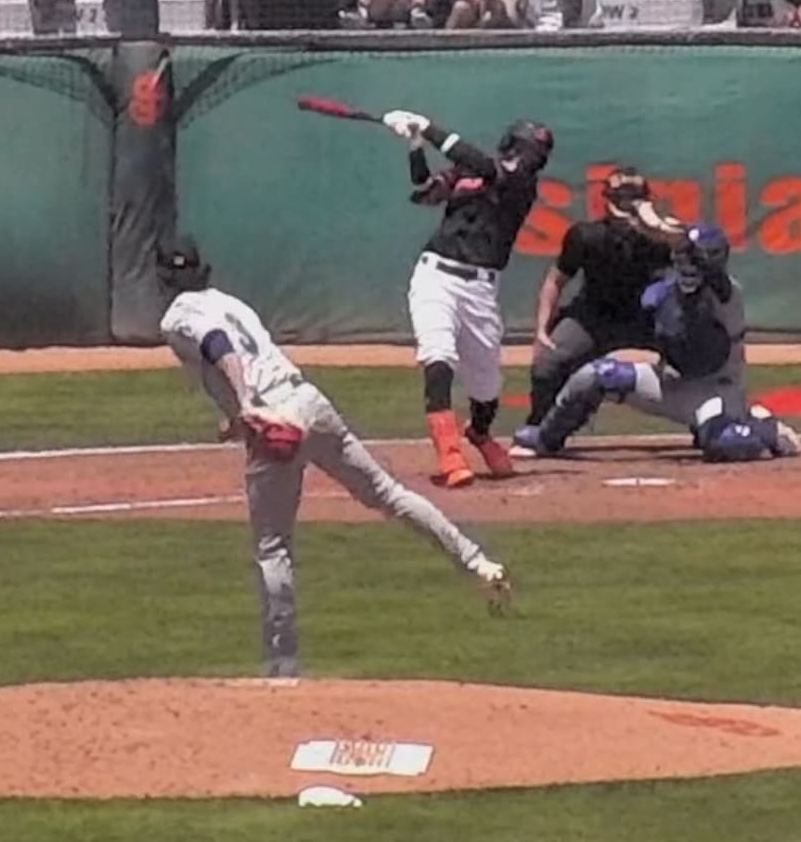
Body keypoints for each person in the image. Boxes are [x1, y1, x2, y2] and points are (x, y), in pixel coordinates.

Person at [156, 236, 513, 679]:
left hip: (272, 419)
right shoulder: (230, 301)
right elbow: (239, 349)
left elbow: (218, 346)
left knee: (272, 548)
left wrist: (247, 405)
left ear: (162, 278)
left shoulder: (176, 318)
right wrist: (236, 416)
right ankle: (478, 562)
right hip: (309, 401)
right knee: (388, 493)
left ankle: (284, 668)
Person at [514, 225, 801, 463]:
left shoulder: (727, 294)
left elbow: (711, 280)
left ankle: (764, 428)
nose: (688, 265)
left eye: (696, 258)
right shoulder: (661, 293)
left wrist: (677, 237)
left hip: (717, 390)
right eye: (684, 258)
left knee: (726, 445)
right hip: (671, 384)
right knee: (597, 375)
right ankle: (545, 437)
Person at [378, 109, 554, 488]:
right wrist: (413, 144)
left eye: (536, 155)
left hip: (481, 288)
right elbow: (424, 190)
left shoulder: (520, 184)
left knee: (487, 387)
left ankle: (479, 432)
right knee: (438, 358)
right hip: (435, 275)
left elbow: (483, 167)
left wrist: (427, 129)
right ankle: (449, 453)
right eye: (526, 150)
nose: (528, 158)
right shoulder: (466, 174)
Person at [520, 167, 681, 441]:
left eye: (634, 199)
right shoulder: (586, 235)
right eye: (621, 199)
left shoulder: (661, 240)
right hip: (593, 318)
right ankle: (540, 428)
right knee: (549, 362)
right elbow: (555, 280)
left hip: (644, 321)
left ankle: (710, 423)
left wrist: (655, 227)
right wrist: (541, 329)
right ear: (607, 201)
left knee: (691, 359)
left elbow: (692, 250)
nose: (626, 206)